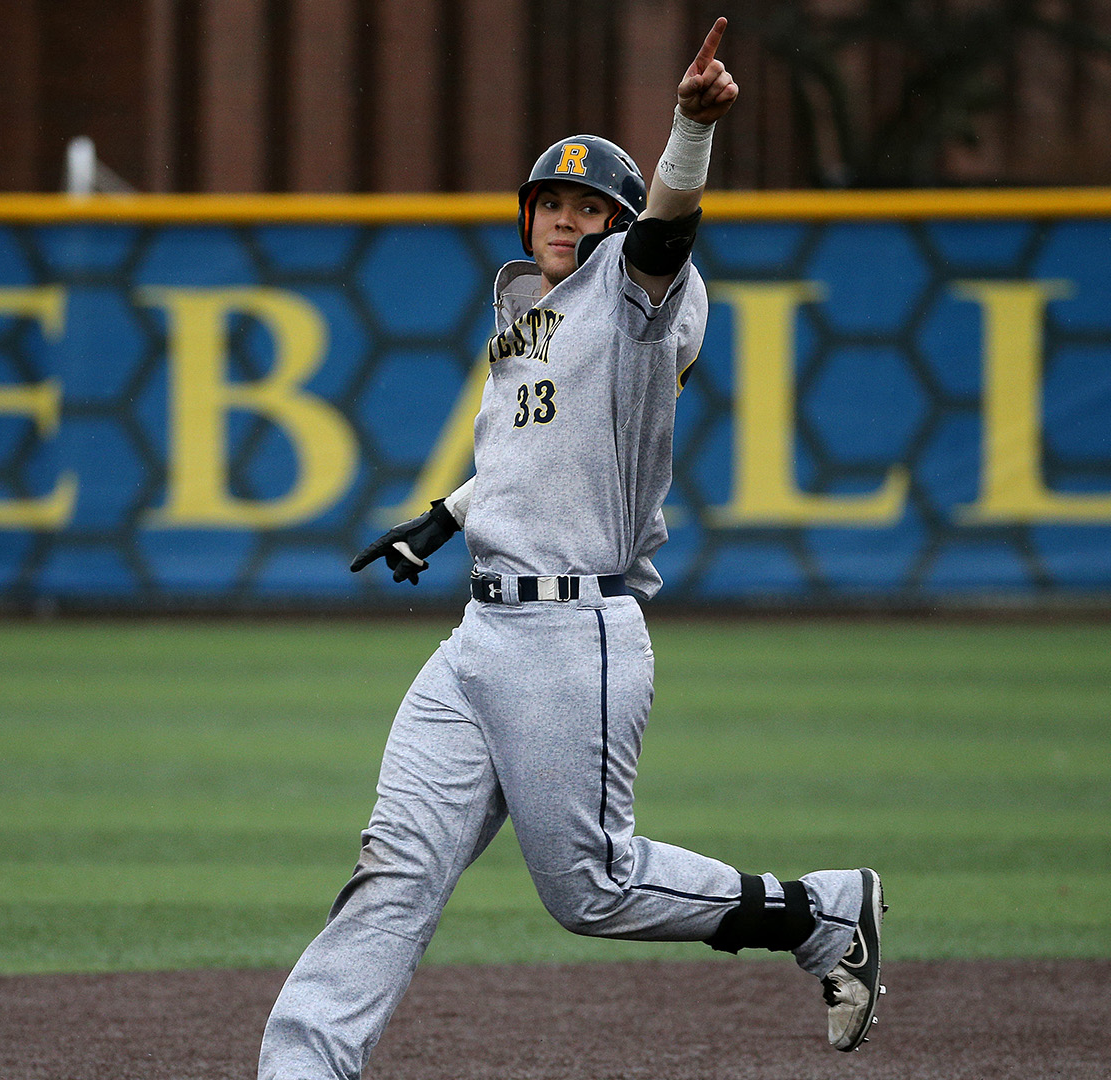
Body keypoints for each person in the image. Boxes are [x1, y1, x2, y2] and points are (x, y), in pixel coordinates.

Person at [257, 20, 883, 1080]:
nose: (565, 218)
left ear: (617, 225)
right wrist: (446, 515)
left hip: (573, 634)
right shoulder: (525, 318)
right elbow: (525, 456)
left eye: (590, 206)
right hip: (480, 635)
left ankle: (822, 913)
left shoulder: (640, 301)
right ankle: (302, 1066)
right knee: (393, 868)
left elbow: (666, 236)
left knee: (591, 890)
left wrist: (689, 130)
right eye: (552, 201)